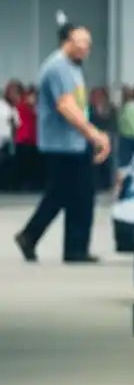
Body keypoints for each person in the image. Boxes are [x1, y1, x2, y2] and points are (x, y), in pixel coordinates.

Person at [14, 23, 111, 264]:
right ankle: (67, 246)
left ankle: (42, 239)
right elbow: (66, 107)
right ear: (66, 41)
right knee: (75, 194)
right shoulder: (57, 67)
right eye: (80, 42)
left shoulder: (72, 67)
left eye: (88, 43)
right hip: (62, 144)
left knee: (67, 194)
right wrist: (94, 134)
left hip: (73, 142)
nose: (86, 48)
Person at [88, 87, 117, 191]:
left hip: (108, 137)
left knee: (108, 162)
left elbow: (113, 123)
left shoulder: (110, 108)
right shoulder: (89, 108)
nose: (97, 98)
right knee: (95, 162)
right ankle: (96, 184)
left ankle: (108, 184)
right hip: (93, 138)